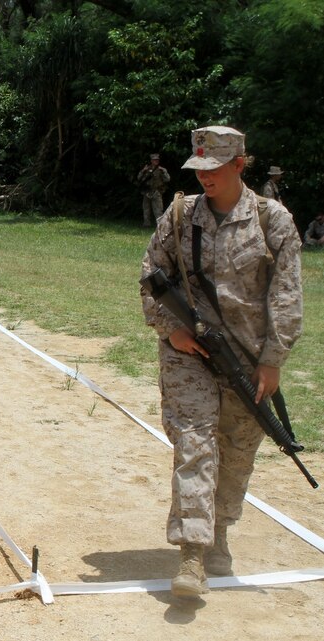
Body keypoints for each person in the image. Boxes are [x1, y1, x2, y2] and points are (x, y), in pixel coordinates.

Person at [140, 125, 302, 598]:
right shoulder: (179, 216)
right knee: (193, 442)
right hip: (187, 353)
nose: (204, 177)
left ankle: (219, 534)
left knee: (236, 449)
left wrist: (272, 360)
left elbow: (287, 293)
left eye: (214, 168)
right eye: (199, 169)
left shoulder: (273, 220)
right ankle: (191, 552)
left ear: (239, 164)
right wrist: (171, 329)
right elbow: (150, 276)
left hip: (248, 358)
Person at [137, 153, 171, 227]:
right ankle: (146, 224)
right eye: (154, 160)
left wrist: (163, 172)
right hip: (147, 191)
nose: (156, 161)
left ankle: (160, 225)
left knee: (158, 209)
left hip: (157, 191)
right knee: (146, 209)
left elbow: (167, 179)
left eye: (157, 160)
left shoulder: (161, 169)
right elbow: (139, 178)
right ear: (151, 160)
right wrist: (143, 170)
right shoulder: (147, 169)